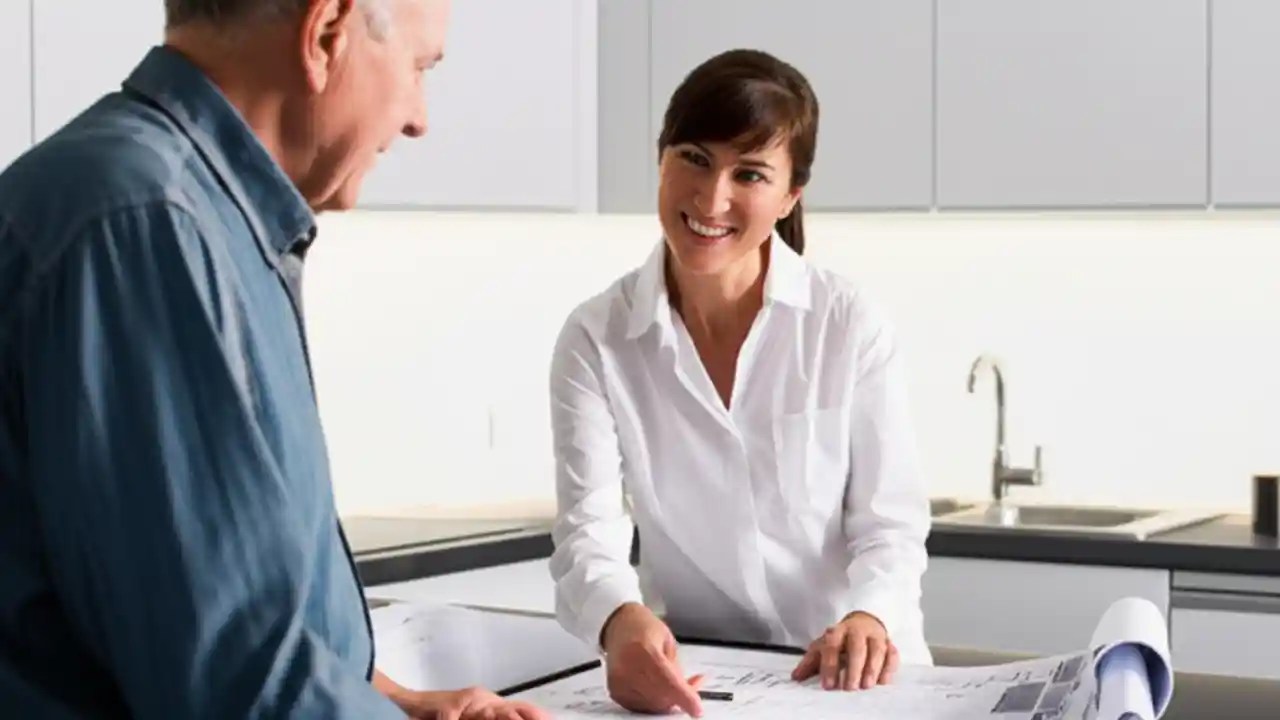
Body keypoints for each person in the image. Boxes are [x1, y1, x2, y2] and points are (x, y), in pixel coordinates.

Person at [0, 1, 544, 718]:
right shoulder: (149, 225)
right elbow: (235, 684)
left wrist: (391, 702)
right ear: (325, 36)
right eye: (419, 68)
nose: (419, 117)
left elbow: (214, 621)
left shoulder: (175, 207)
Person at [548, 48, 932, 717]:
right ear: (661, 155)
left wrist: (871, 616)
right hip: (698, 687)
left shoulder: (846, 324)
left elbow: (890, 526)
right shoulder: (595, 340)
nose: (712, 196)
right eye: (694, 157)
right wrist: (617, 621)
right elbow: (589, 534)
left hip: (851, 686)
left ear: (789, 196)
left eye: (749, 173)